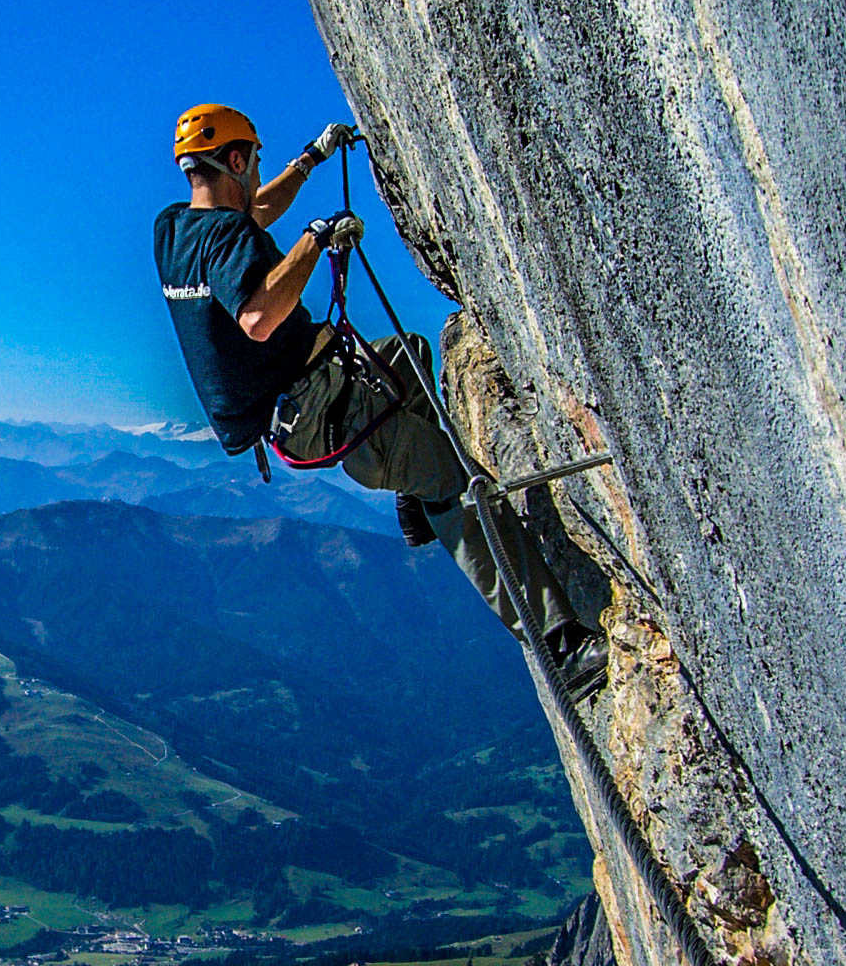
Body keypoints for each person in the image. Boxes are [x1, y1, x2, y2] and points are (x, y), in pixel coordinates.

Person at [153, 103, 607, 699]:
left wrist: (309, 160)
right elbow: (258, 316)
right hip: (318, 409)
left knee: (409, 353)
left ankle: (411, 505)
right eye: (255, 162)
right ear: (236, 159)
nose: (259, 174)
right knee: (454, 480)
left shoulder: (174, 230)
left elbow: (252, 212)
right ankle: (557, 644)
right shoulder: (228, 237)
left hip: (301, 399)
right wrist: (316, 242)